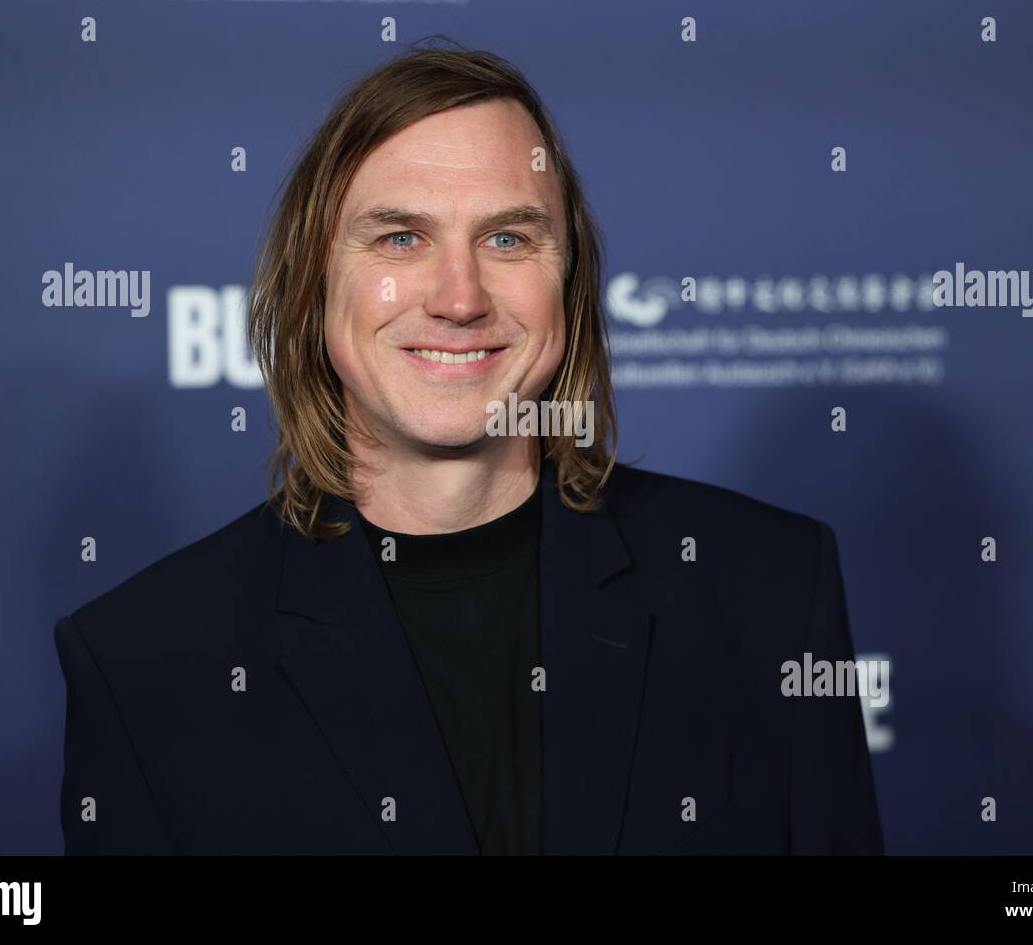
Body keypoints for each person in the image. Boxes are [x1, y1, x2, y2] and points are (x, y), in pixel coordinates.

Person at [55, 42, 883, 855]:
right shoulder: (147, 663)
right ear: (313, 286)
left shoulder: (770, 592)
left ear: (571, 288)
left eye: (509, 240)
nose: (459, 298)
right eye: (401, 239)